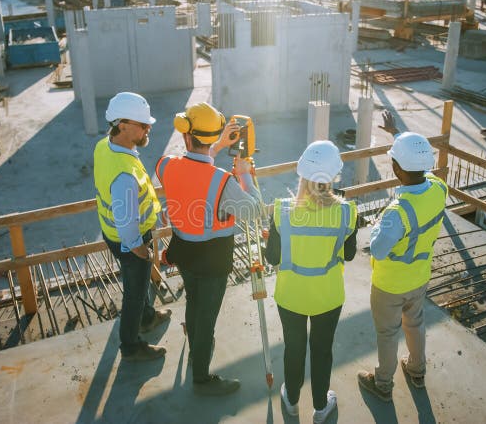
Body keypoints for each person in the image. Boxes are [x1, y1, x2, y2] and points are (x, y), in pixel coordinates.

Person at [155, 102, 262, 396]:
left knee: (193, 302)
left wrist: (214, 148)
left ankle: (195, 351)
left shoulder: (165, 165)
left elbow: (193, 167)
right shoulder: (223, 181)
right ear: (213, 136)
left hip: (183, 253)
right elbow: (253, 212)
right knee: (207, 321)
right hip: (213, 262)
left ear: (186, 136)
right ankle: (201, 379)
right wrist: (245, 173)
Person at [265, 140, 358, 424]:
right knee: (321, 350)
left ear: (301, 173)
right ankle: (320, 407)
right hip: (327, 297)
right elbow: (351, 254)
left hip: (291, 296)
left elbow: (271, 257)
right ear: (334, 176)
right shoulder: (347, 211)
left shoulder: (281, 210)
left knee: (293, 348)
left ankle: (291, 400)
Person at [357, 127, 448, 400]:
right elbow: (423, 173)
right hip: (419, 277)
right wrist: (400, 136)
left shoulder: (397, 214)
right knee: (415, 323)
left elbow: (379, 250)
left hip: (389, 285)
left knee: (387, 333)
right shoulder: (439, 188)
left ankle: (383, 384)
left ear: (395, 168)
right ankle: (417, 371)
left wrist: (376, 227)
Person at [93, 92, 172, 362]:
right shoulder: (124, 175)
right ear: (123, 125)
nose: (148, 128)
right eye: (142, 124)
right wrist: (140, 250)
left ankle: (148, 318)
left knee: (138, 287)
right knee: (135, 294)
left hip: (112, 232)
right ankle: (130, 346)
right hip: (129, 240)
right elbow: (128, 224)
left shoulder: (105, 146)